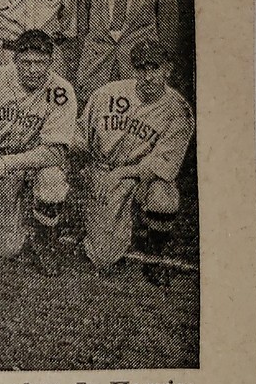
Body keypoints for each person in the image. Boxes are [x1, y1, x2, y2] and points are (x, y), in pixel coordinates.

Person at [80, 39, 195, 286]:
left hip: (142, 178)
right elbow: (80, 137)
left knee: (164, 196)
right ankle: (114, 227)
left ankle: (153, 255)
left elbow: (163, 165)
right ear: (134, 69)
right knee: (104, 257)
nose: (148, 76)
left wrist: (122, 174)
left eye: (155, 68)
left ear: (168, 70)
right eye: (142, 69)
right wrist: (87, 171)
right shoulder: (107, 93)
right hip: (104, 171)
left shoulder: (178, 110)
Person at [0, 29, 77, 276]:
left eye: (40, 63)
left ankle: (44, 240)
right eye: (26, 62)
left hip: (36, 159)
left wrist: (5, 163)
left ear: (51, 61)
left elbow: (55, 152)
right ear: (14, 59)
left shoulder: (61, 90)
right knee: (7, 248)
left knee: (53, 179)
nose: (33, 70)